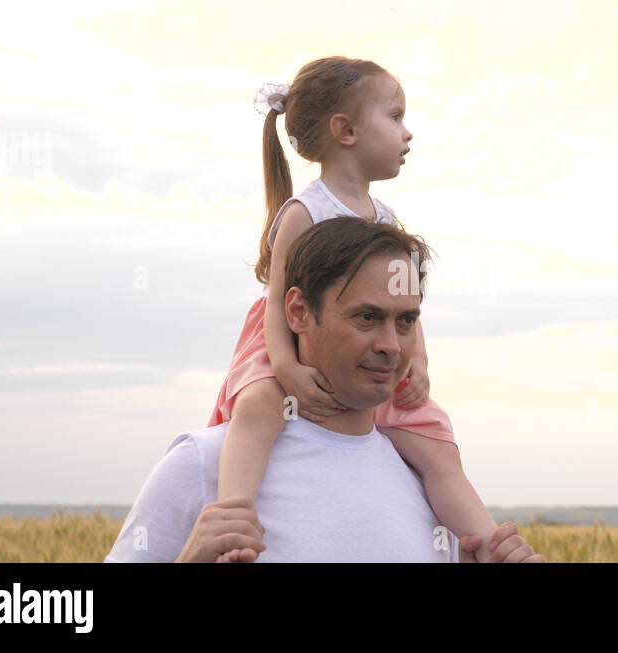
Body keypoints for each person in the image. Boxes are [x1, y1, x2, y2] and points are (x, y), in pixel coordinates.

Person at [105, 217, 542, 562]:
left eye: (406, 321)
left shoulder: (427, 486)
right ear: (297, 312)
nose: (390, 346)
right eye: (366, 318)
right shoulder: (202, 466)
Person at [208, 56, 501, 562]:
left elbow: (405, 307)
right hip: (291, 343)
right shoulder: (305, 212)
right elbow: (278, 304)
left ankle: (494, 545)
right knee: (258, 407)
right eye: (395, 117)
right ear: (345, 130)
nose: (407, 134)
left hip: (368, 355)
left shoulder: (386, 218)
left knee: (436, 443)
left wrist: (418, 362)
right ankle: (233, 521)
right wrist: (287, 370)